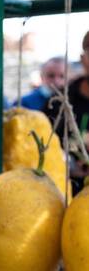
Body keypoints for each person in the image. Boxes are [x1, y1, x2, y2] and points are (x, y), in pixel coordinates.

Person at [44, 36, 89, 190]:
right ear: (83, 58)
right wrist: (67, 163)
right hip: (60, 191)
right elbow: (43, 143)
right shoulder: (60, 99)